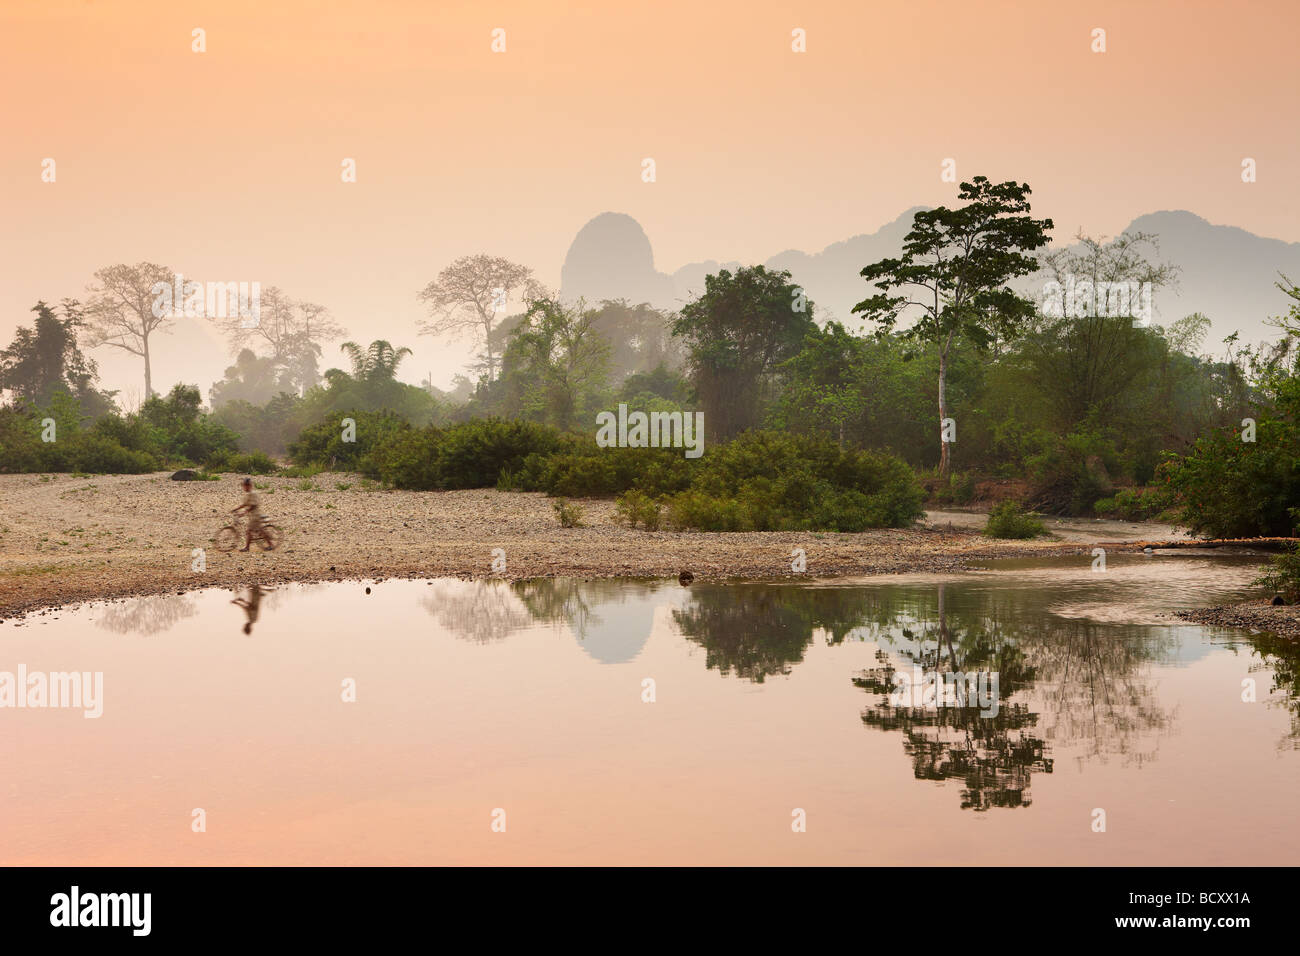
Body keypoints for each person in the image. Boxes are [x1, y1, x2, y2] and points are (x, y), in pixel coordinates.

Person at [231, 477, 266, 552]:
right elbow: (244, 504)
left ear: (249, 486)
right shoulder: (248, 494)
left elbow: (253, 506)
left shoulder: (253, 494)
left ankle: (247, 547)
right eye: (244, 485)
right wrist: (236, 509)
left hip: (255, 516)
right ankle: (270, 544)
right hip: (252, 516)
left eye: (246, 485)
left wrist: (244, 512)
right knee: (259, 530)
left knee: (249, 531)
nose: (244, 487)